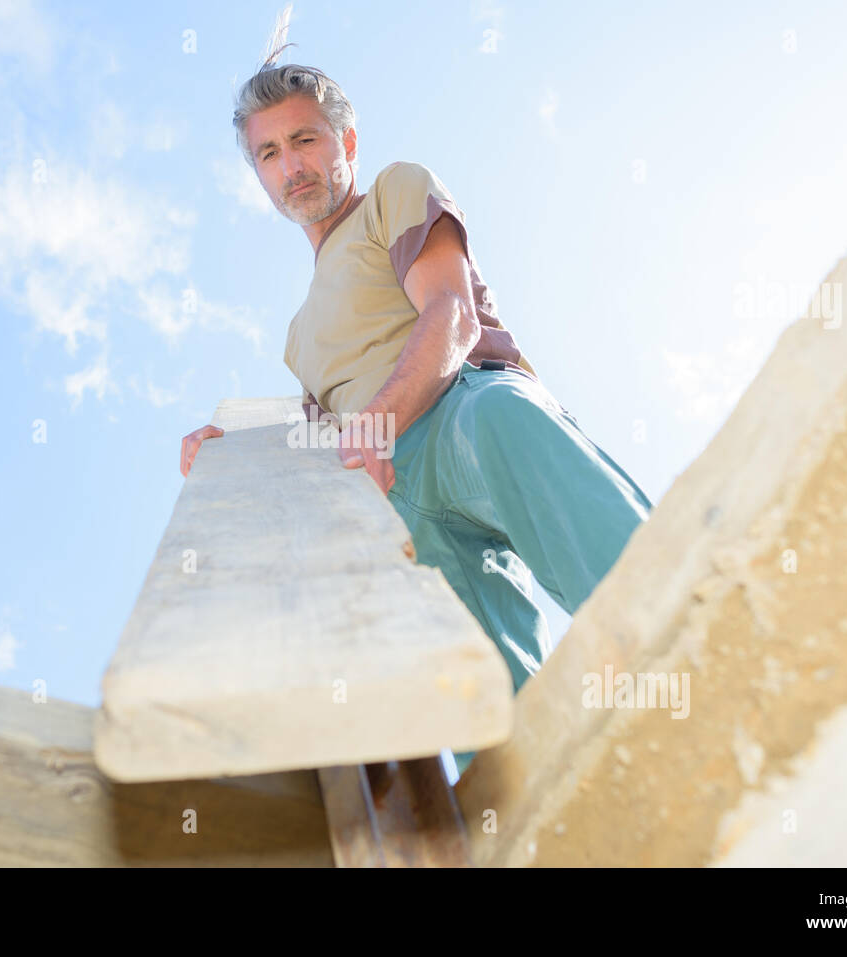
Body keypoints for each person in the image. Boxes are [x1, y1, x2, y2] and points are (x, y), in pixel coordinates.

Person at [180, 33, 653, 778]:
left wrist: (378, 425)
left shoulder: (393, 194)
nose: (292, 165)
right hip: (398, 497)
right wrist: (232, 449)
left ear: (347, 140)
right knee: (487, 713)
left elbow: (451, 315)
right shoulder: (299, 337)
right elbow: (316, 455)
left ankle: (682, 619)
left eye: (305, 139)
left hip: (464, 409)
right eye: (269, 154)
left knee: (511, 426)